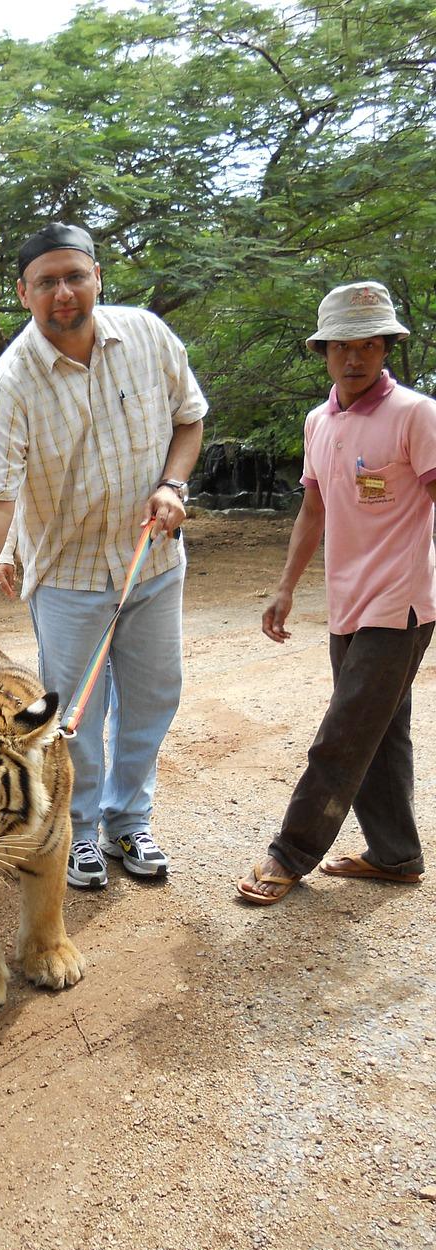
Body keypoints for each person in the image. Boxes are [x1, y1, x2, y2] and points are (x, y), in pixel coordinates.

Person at [0, 222, 206, 889]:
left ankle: (129, 821)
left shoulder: (146, 335)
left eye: (75, 276)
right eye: (47, 281)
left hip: (152, 562)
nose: (63, 293)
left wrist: (173, 484)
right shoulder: (12, 383)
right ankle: (79, 831)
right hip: (70, 578)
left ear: (98, 278)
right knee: (72, 715)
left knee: (153, 694)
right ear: (24, 292)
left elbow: (189, 419)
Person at [238, 282, 436, 904]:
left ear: (386, 349)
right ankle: (396, 855)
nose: (356, 358)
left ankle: (288, 854)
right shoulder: (318, 422)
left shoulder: (416, 413)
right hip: (347, 604)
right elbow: (314, 508)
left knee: (343, 733)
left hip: (401, 605)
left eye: (370, 345)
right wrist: (286, 587)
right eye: (343, 347)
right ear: (323, 352)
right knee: (380, 731)